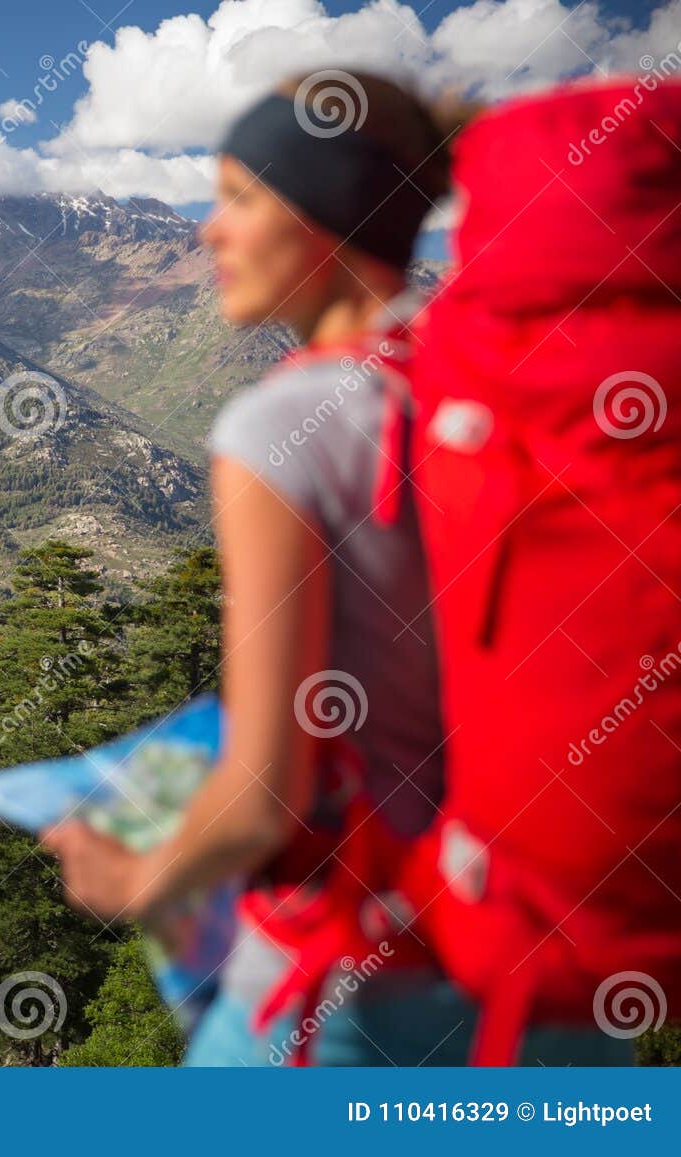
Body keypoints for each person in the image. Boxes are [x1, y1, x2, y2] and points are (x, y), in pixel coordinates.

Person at [45, 70, 471, 1066]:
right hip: (549, 976)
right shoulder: (505, 384)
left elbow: (265, 795)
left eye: (239, 197)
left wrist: (134, 879)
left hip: (356, 984)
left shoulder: (286, 420)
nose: (209, 231)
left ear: (318, 218)